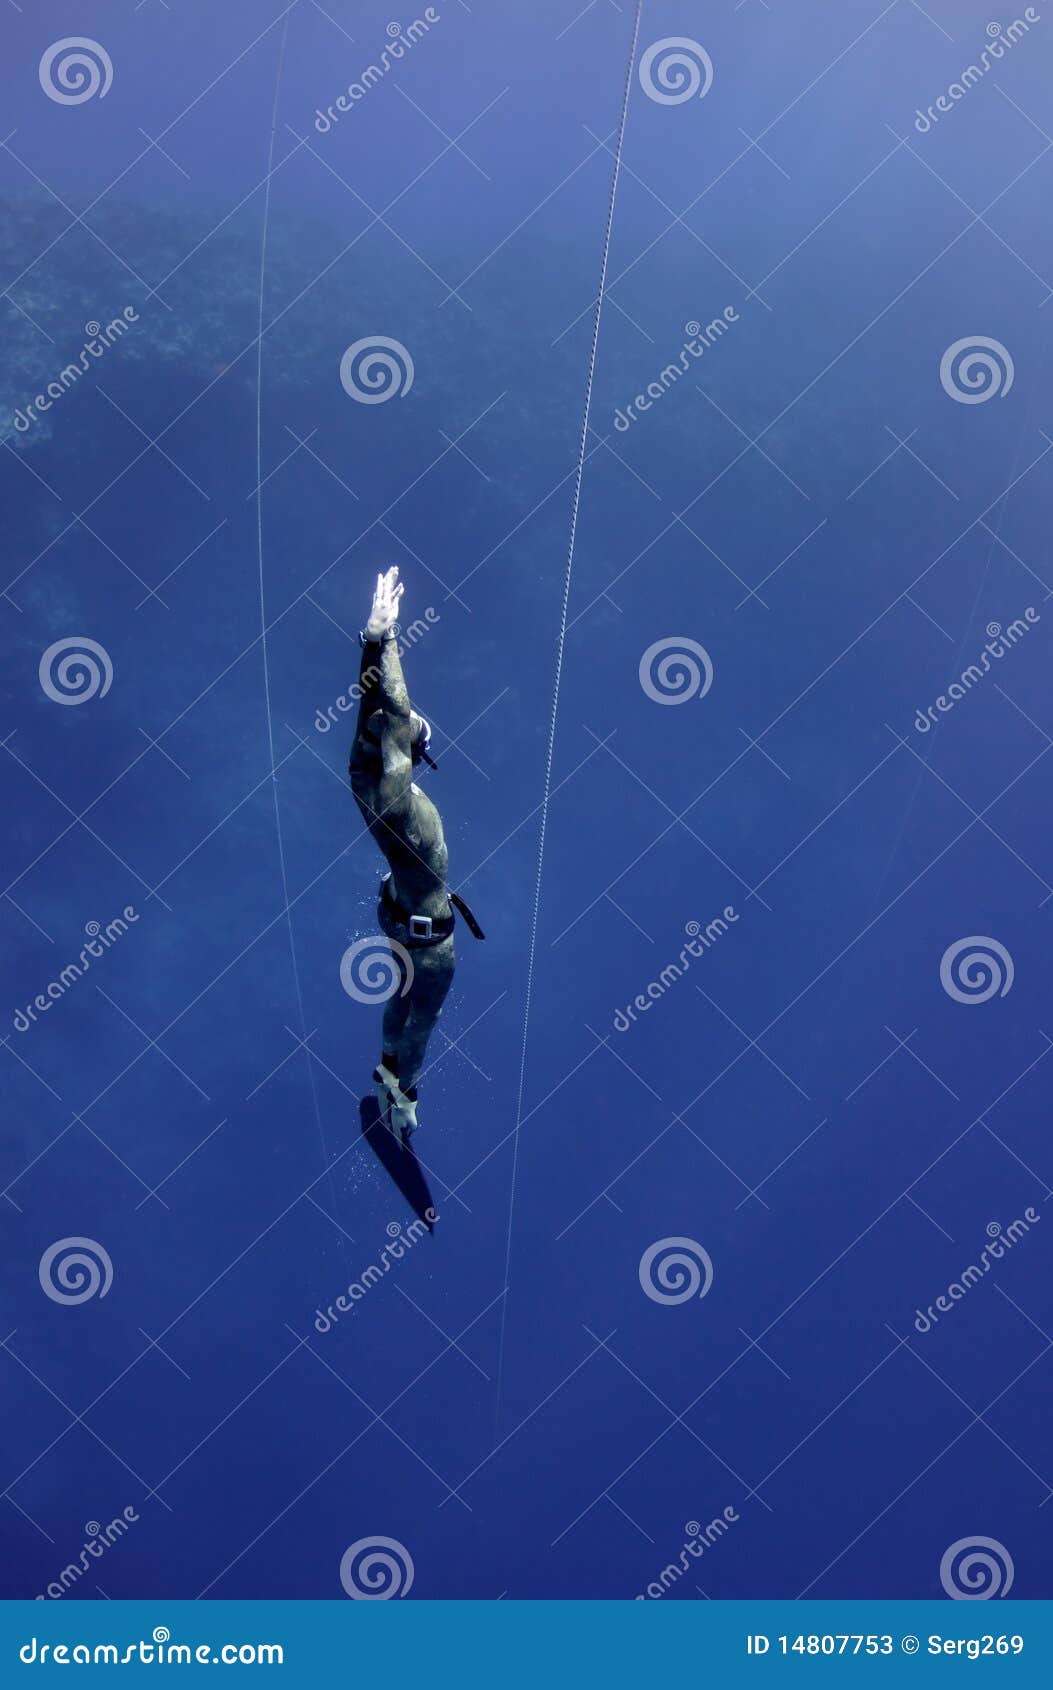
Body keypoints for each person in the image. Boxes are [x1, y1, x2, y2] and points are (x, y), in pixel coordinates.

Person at [349, 566, 483, 1142]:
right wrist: (385, 636)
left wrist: (369, 651)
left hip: (405, 923)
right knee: (420, 1018)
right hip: (429, 940)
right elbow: (394, 711)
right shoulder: (394, 793)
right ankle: (404, 1092)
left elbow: (374, 716)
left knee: (401, 1007)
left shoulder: (363, 776)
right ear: (408, 748)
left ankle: (387, 1069)